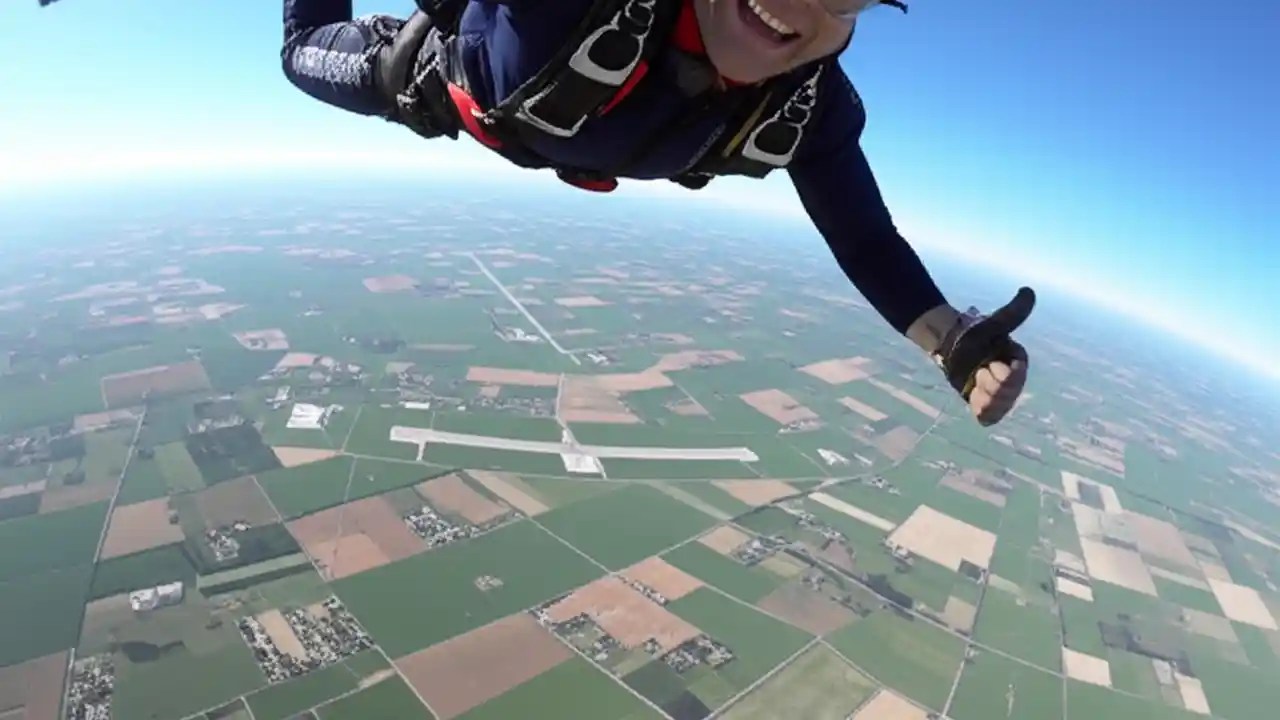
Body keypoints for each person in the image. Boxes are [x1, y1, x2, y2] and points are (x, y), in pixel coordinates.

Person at [281, 0, 1032, 426]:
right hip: (437, 83)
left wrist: (952, 342)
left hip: (528, 121)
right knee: (305, 53)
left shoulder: (808, 107)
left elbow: (865, 237)